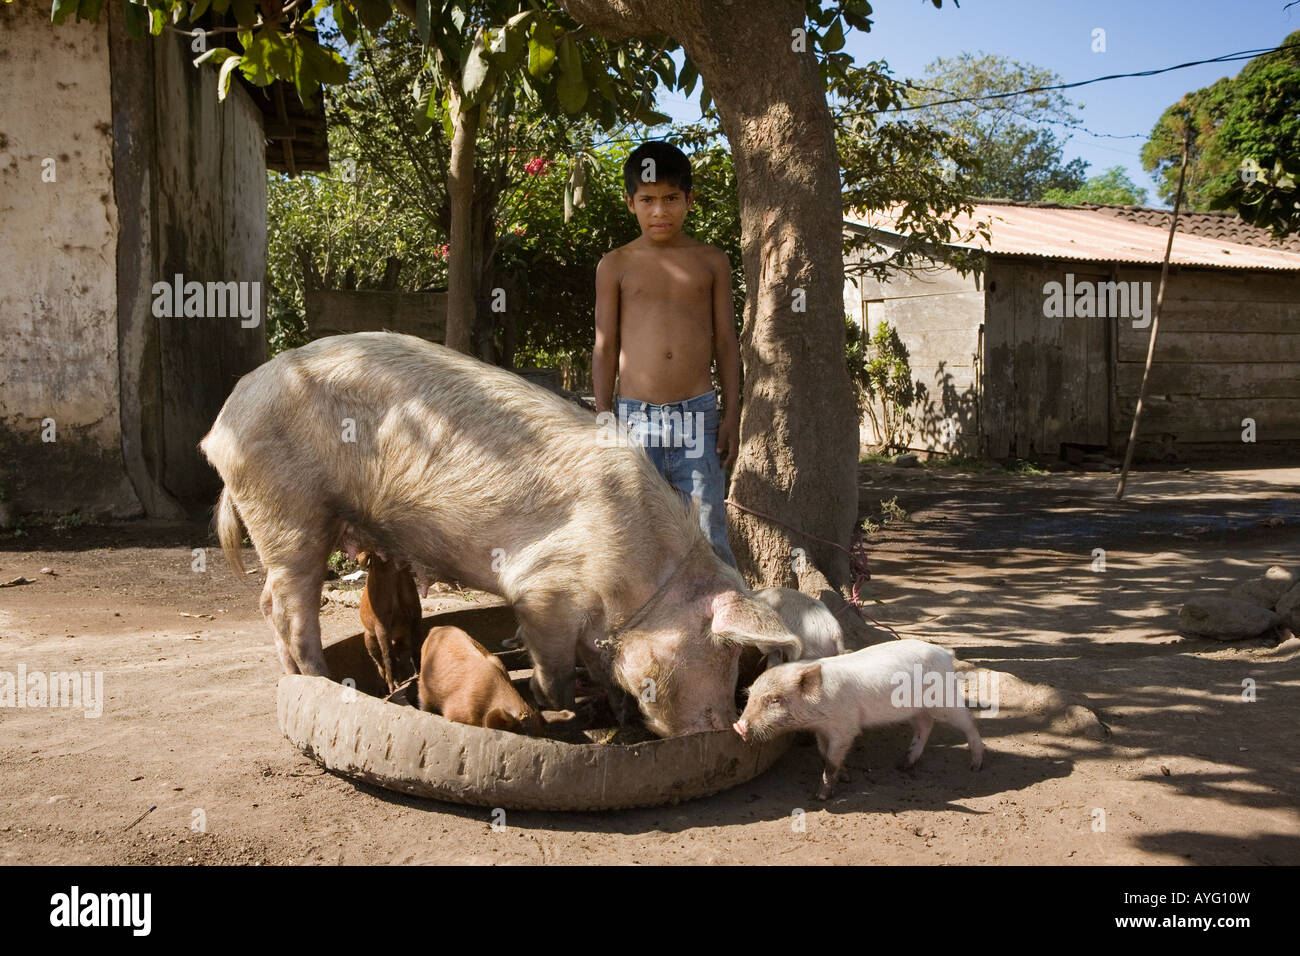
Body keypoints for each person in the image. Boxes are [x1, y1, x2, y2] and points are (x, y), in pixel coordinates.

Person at [592, 141, 741, 568]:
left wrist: (731, 413)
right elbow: (605, 345)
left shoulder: (710, 261)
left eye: (671, 199)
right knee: (636, 538)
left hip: (698, 416)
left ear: (689, 200)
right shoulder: (615, 265)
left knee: (709, 533)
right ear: (630, 203)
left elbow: (727, 341)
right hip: (635, 419)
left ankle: (728, 631)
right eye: (648, 200)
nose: (660, 211)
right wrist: (604, 415)